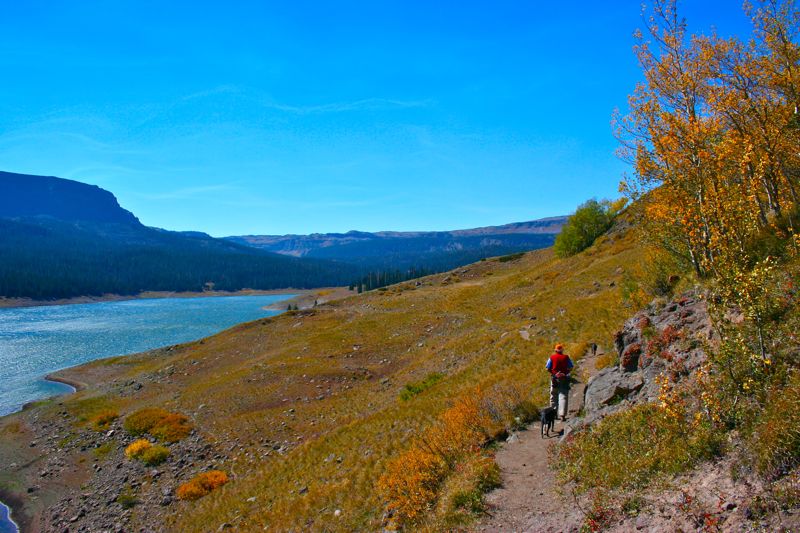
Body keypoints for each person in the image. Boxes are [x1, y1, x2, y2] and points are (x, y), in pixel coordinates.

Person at [546, 343, 574, 421]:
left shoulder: (552, 357)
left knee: (553, 396)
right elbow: (571, 367)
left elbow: (547, 368)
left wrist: (554, 373)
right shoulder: (566, 357)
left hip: (554, 379)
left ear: (555, 350)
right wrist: (564, 373)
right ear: (562, 350)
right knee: (563, 396)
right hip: (564, 378)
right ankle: (562, 415)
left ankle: (554, 414)